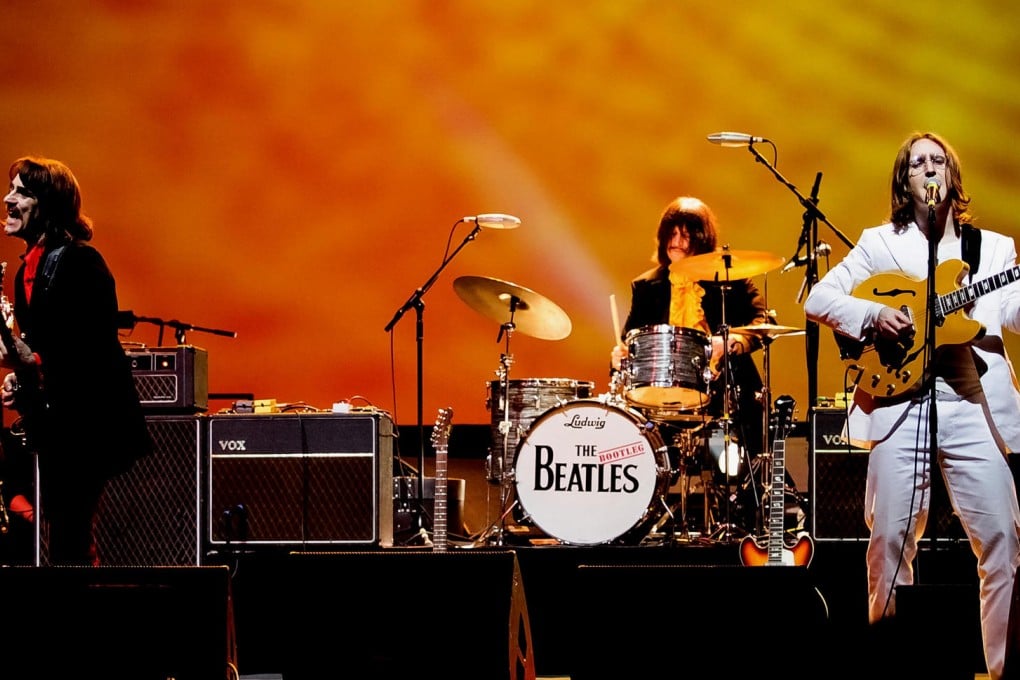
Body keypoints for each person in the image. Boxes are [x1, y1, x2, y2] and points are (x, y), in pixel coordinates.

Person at [804, 131, 1020, 679]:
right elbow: (819, 298)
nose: (928, 167)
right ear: (904, 180)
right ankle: (894, 668)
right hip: (900, 400)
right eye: (917, 162)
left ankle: (1002, 669)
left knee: (1002, 537)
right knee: (890, 541)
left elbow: (1012, 312)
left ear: (952, 175)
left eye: (937, 160)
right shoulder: (880, 243)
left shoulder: (993, 249)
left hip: (971, 398)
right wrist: (873, 315)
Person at [0, 156, 152, 565]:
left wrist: (33, 359)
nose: (8, 200)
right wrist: (21, 378)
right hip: (59, 424)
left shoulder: (82, 262)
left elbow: (91, 347)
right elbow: (43, 344)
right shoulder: (28, 269)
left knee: (70, 534)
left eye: (21, 193)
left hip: (89, 423)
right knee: (65, 532)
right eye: (11, 189)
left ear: (48, 204)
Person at [611, 196, 778, 536]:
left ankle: (750, 520)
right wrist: (620, 354)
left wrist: (733, 342)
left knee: (751, 430)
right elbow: (631, 338)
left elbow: (765, 323)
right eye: (671, 234)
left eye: (686, 235)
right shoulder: (647, 286)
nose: (677, 242)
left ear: (702, 239)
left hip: (723, 387)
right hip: (662, 394)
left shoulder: (729, 279)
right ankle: (634, 517)